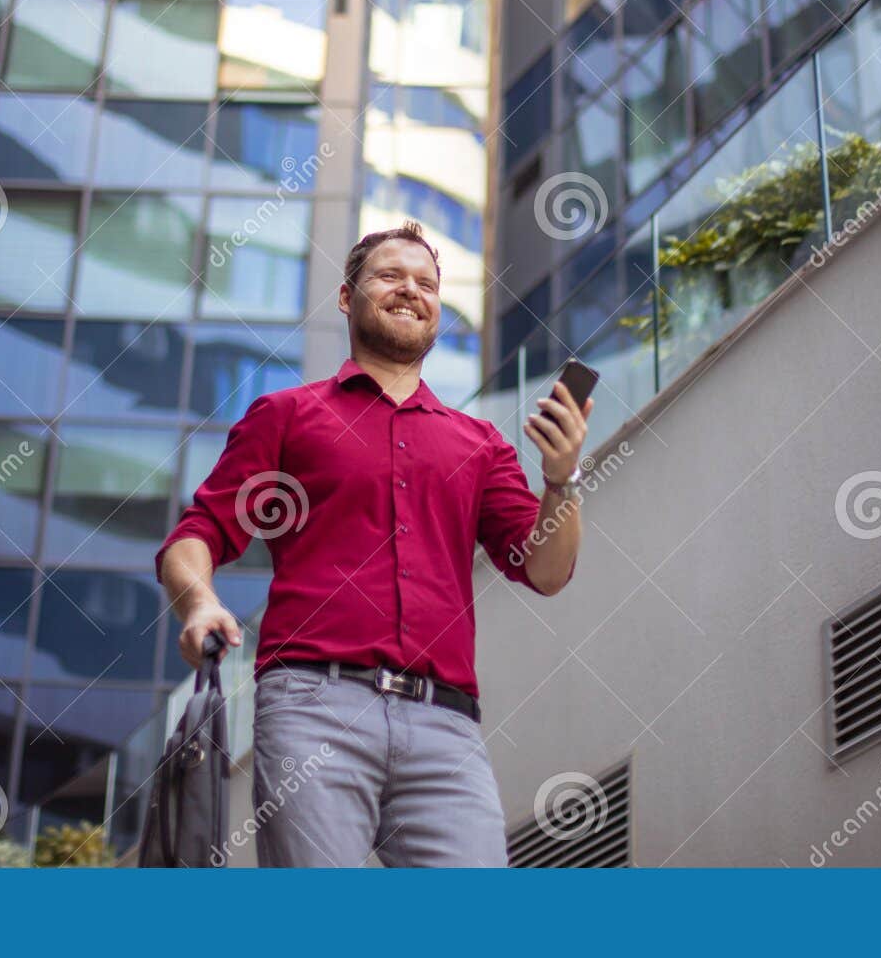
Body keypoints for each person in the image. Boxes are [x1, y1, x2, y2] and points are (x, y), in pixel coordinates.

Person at [155, 221, 591, 866]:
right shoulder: (287, 416)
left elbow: (546, 570)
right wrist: (199, 604)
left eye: (427, 284)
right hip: (312, 709)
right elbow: (197, 535)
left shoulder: (479, 444)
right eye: (390, 276)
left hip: (447, 727)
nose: (411, 290)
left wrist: (561, 480)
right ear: (346, 297)